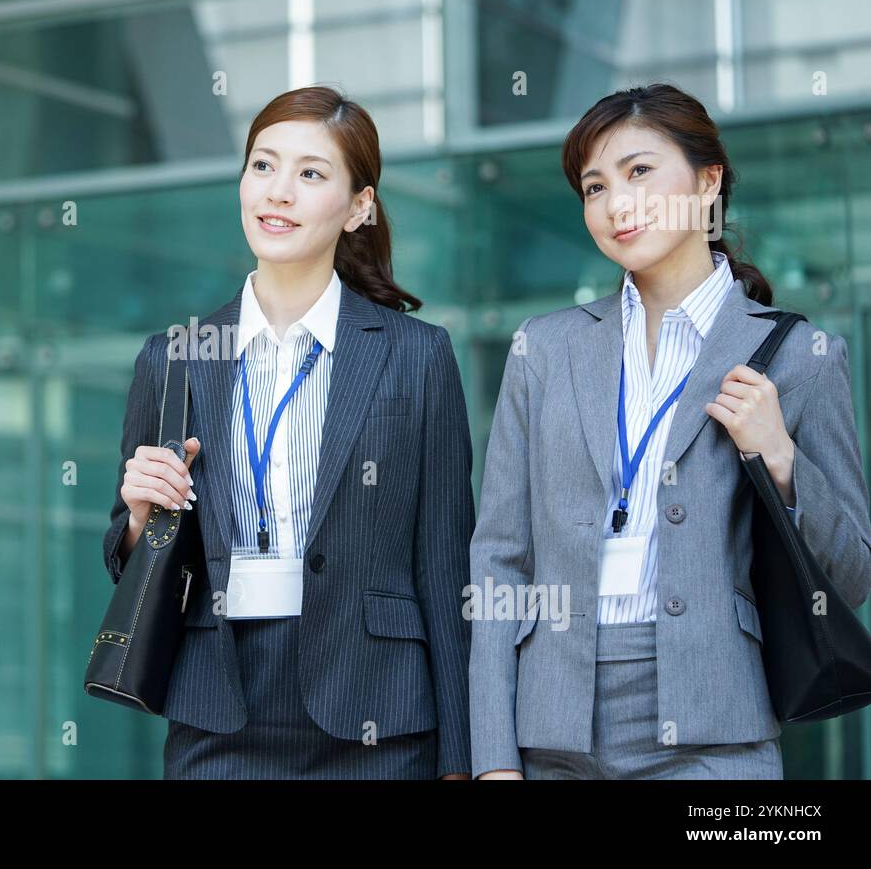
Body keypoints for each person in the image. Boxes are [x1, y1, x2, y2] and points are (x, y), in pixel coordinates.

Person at [469, 82, 871, 779]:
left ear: (708, 179)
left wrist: (779, 456)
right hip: (554, 725)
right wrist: (492, 758)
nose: (616, 203)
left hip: (715, 728)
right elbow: (499, 558)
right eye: (595, 187)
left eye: (639, 171)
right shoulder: (545, 349)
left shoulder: (801, 358)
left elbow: (853, 573)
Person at [101, 85, 475, 778]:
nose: (278, 192)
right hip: (220, 710)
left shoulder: (417, 355)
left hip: (381, 719)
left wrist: (462, 757)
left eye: (310, 174)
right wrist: (138, 517)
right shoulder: (175, 356)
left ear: (359, 205)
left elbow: (445, 563)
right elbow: (130, 556)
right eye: (263, 166)